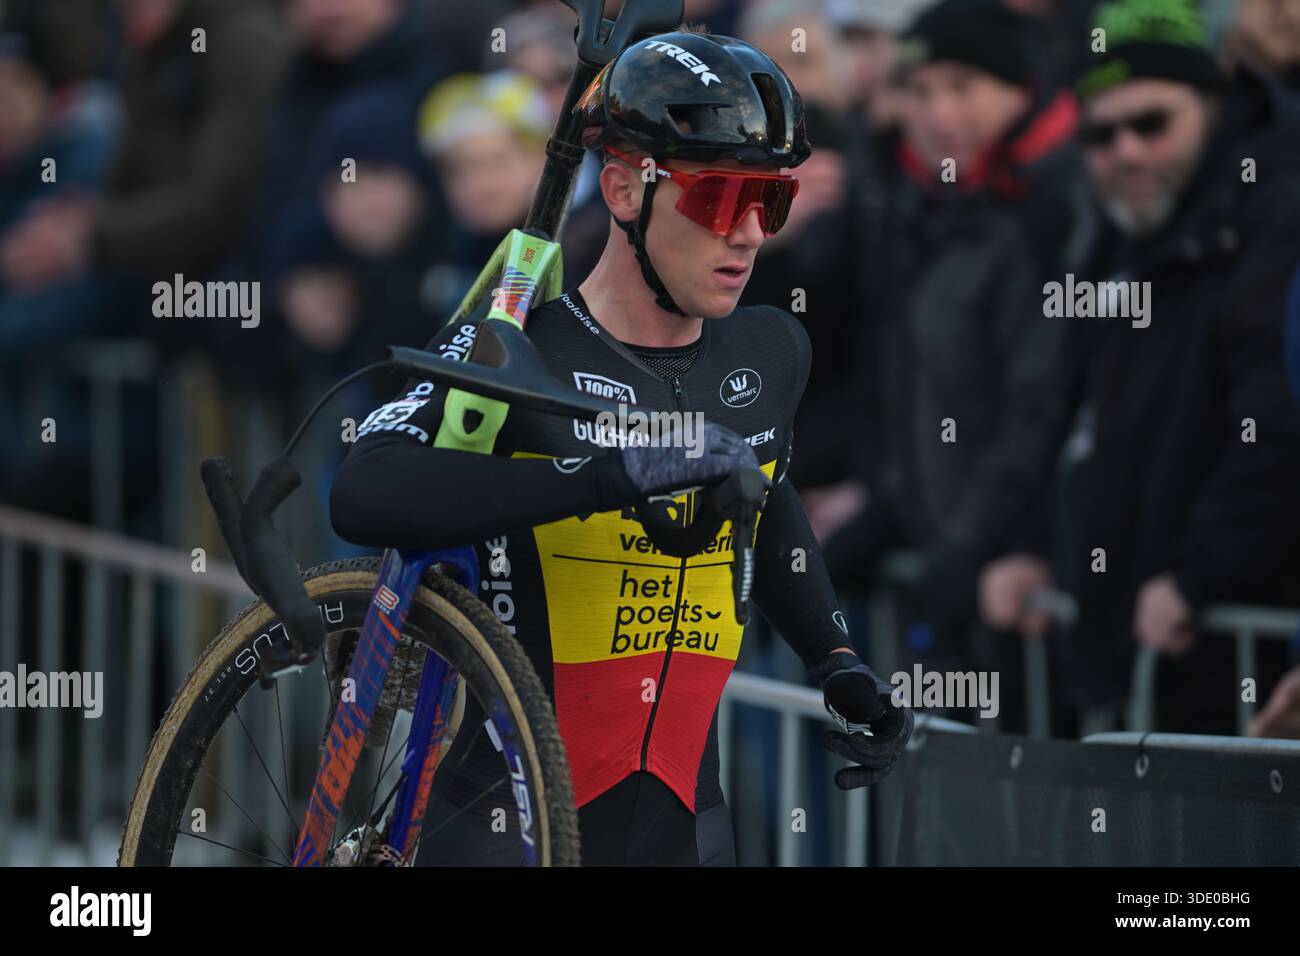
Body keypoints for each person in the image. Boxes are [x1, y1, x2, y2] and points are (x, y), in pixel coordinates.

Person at [330, 25, 913, 866]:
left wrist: (838, 662)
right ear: (624, 190)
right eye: (720, 198)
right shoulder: (519, 348)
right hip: (506, 827)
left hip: (687, 827)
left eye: (771, 200)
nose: (750, 233)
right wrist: (609, 473)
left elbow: (770, 491)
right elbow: (365, 490)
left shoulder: (772, 349)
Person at [981, 0, 1300, 734]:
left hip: (1231, 658)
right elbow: (1069, 416)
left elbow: (1277, 421)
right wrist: (1030, 545)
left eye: (1152, 124)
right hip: (1127, 653)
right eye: (1100, 134)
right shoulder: (1115, 233)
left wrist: (1199, 576)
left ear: (1213, 103)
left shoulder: (1272, 214)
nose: (1125, 151)